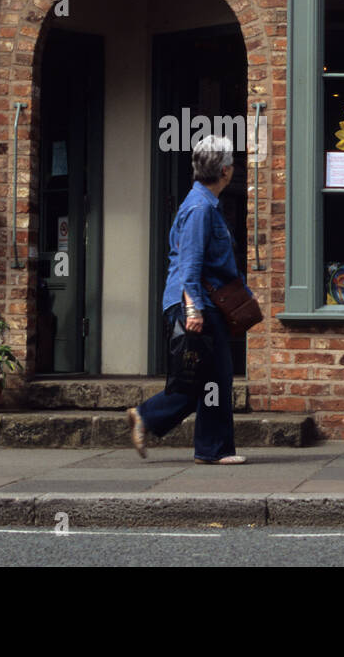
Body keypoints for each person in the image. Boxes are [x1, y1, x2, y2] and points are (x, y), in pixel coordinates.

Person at [128, 134, 248, 464]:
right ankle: (209, 448)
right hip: (198, 305)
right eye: (232, 163)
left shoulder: (203, 204)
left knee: (206, 378)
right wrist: (193, 308)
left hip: (201, 303)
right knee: (215, 377)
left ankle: (157, 422)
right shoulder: (200, 209)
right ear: (225, 170)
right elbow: (190, 263)